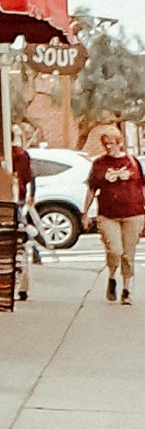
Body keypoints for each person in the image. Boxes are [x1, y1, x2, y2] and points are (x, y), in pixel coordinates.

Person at [87, 123, 145, 304]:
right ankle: (112, 276)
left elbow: (142, 187)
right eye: (106, 144)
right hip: (108, 214)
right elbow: (91, 189)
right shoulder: (99, 164)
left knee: (128, 253)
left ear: (120, 143)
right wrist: (85, 212)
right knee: (115, 250)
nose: (108, 147)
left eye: (112, 143)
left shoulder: (133, 162)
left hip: (133, 213)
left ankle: (126, 290)